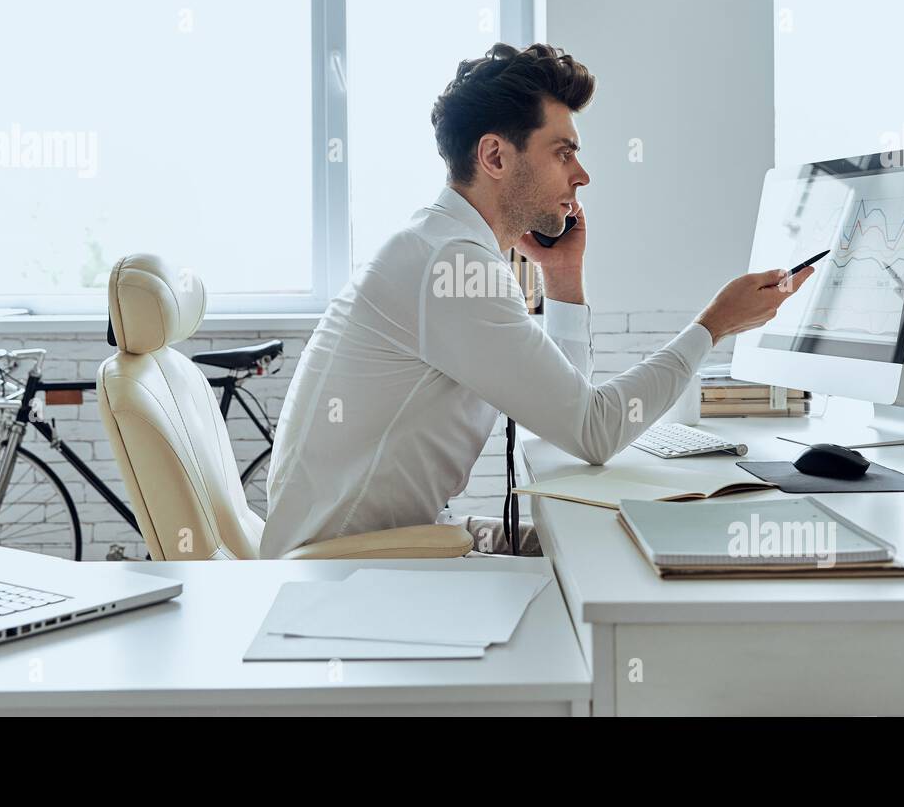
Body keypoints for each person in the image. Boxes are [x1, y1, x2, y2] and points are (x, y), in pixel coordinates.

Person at [259, 42, 813, 558]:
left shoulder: (442, 249)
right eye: (563, 153)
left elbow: (565, 411)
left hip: (388, 545)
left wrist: (563, 277)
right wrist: (714, 326)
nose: (583, 175)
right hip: (350, 571)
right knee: (617, 567)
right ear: (496, 157)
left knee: (600, 548)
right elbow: (594, 431)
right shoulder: (450, 264)